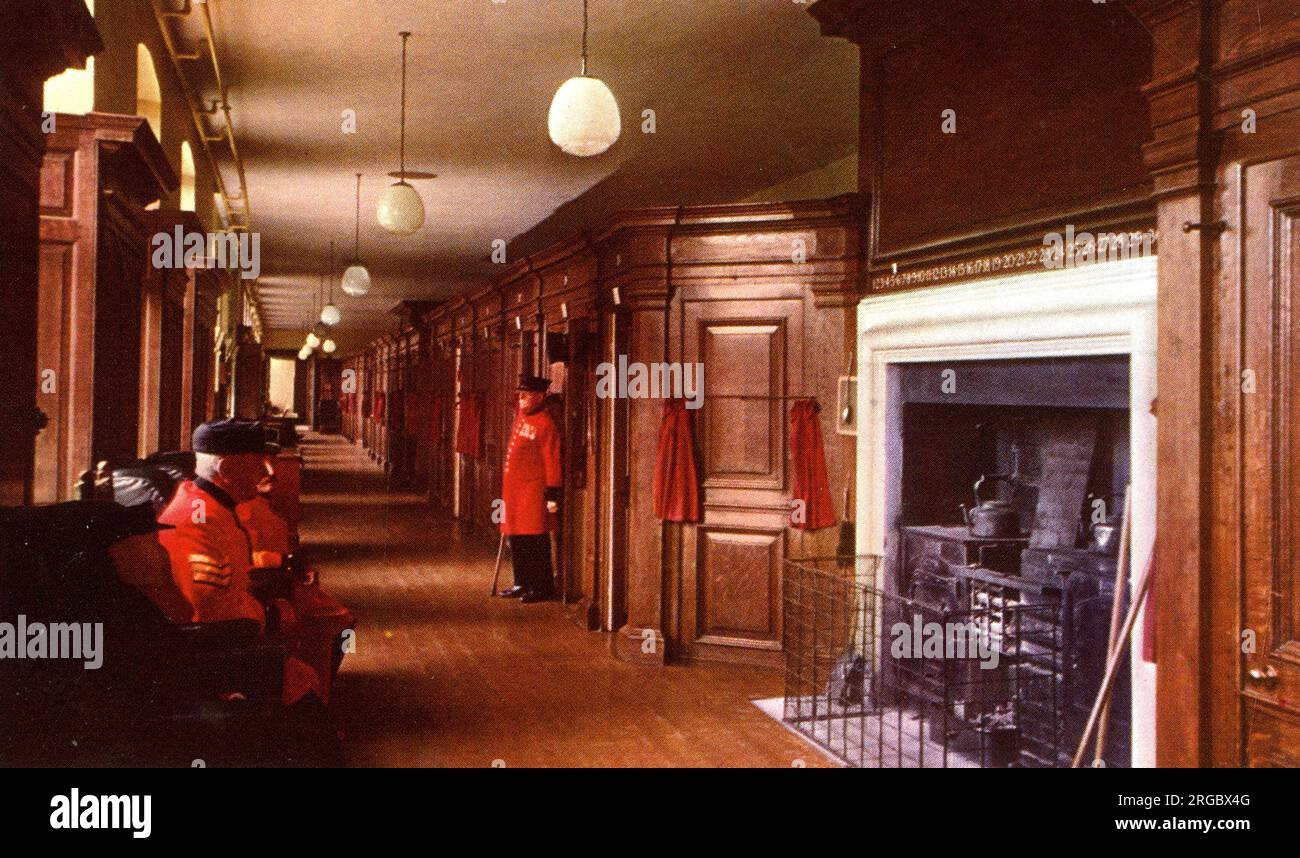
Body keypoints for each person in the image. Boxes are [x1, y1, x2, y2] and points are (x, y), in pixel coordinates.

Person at [156, 418, 321, 704]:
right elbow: (204, 611)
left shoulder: (212, 505)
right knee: (302, 679)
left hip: (227, 634)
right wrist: (267, 615)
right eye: (257, 462)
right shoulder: (198, 521)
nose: (266, 470)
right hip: (205, 657)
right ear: (226, 470)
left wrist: (281, 563)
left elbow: (235, 573)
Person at [499, 374, 562, 603]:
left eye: (526, 395)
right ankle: (521, 581)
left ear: (540, 397)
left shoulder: (545, 424)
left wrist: (552, 490)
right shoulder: (521, 416)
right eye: (520, 395)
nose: (521, 398)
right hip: (515, 491)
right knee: (516, 538)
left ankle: (540, 586)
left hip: (533, 491)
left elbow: (551, 459)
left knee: (535, 540)